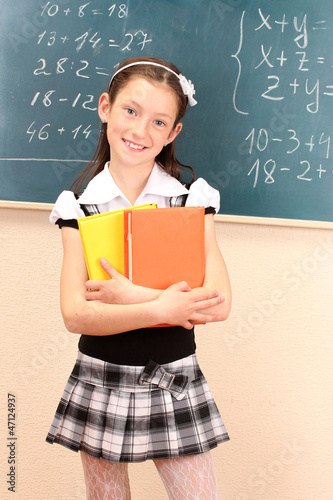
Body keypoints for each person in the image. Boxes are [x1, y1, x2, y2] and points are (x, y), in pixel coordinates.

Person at [46, 56, 232, 500]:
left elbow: (219, 303)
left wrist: (130, 296)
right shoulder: (77, 205)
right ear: (105, 107)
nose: (140, 131)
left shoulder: (191, 199)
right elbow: (76, 315)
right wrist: (161, 307)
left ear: (173, 133)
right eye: (131, 111)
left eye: (158, 122)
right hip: (101, 377)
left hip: (173, 376)